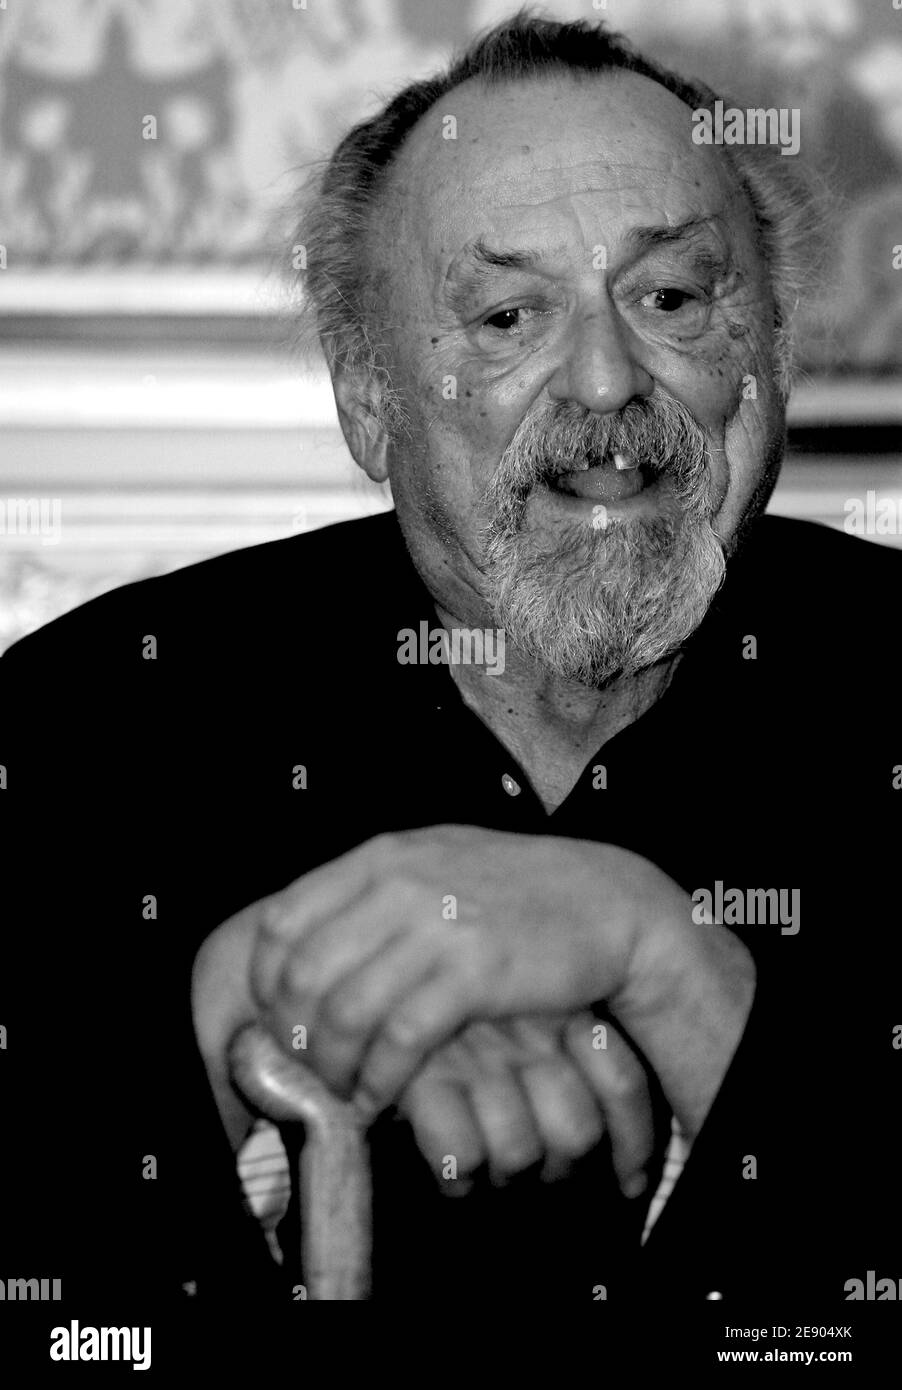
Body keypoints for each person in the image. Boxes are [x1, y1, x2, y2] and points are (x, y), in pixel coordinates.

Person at [1, 12, 899, 1320]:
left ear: (764, 359)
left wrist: (670, 969)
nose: (601, 383)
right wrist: (240, 1015)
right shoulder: (83, 727)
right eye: (505, 313)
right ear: (367, 394)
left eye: (668, 297)